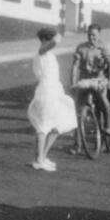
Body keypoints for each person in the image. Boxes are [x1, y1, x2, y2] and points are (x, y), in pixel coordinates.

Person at [28, 28, 77, 171]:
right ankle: (38, 160)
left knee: (57, 125)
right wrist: (57, 37)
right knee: (43, 126)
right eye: (49, 39)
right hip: (46, 92)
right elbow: (53, 43)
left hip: (55, 91)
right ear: (45, 40)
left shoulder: (48, 54)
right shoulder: (41, 53)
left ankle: (42, 156)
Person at [69, 23, 110, 150]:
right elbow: (75, 66)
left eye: (94, 35)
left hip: (99, 79)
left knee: (102, 100)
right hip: (84, 80)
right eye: (89, 35)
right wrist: (73, 83)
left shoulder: (104, 47)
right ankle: (77, 144)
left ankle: (108, 125)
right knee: (79, 111)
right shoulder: (81, 47)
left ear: (99, 35)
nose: (91, 37)